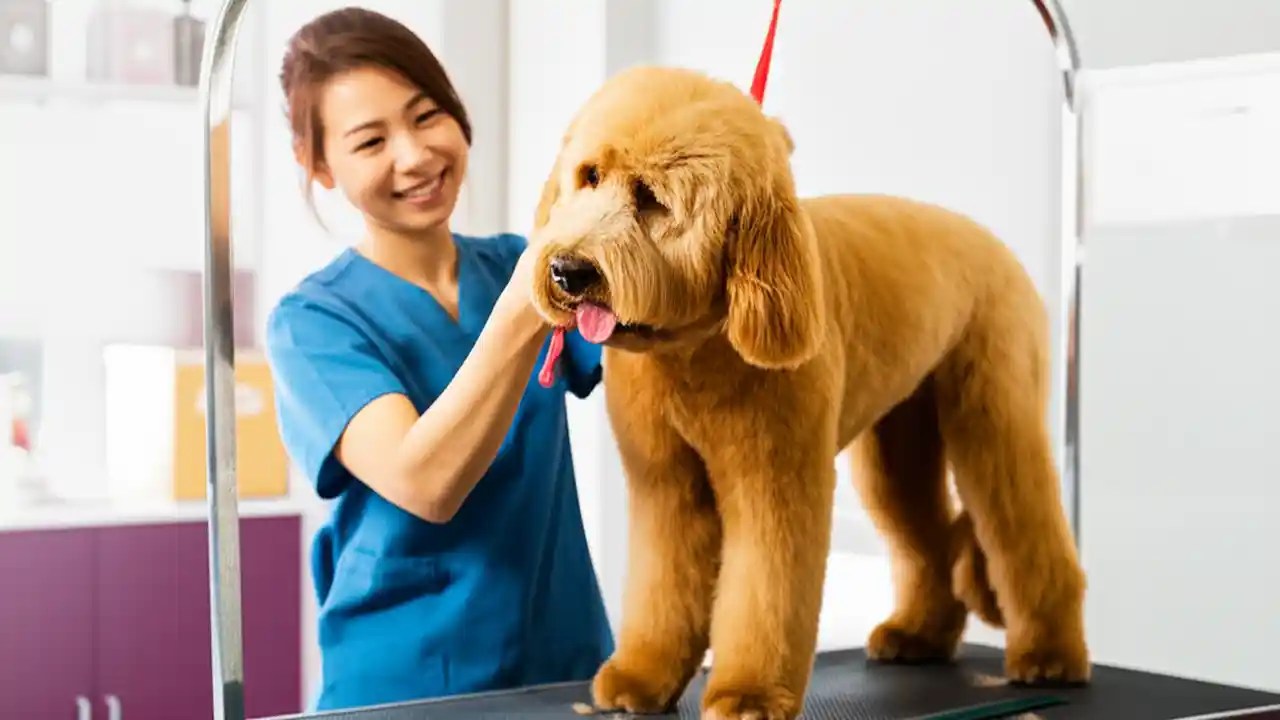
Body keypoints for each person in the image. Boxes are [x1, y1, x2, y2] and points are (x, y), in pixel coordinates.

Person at [264, 7, 614, 712]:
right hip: (405, 687)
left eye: (426, 116)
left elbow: (658, 343)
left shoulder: (518, 263)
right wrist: (526, 305)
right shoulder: (313, 323)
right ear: (318, 166)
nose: (416, 155)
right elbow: (427, 482)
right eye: (370, 140)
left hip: (569, 669)